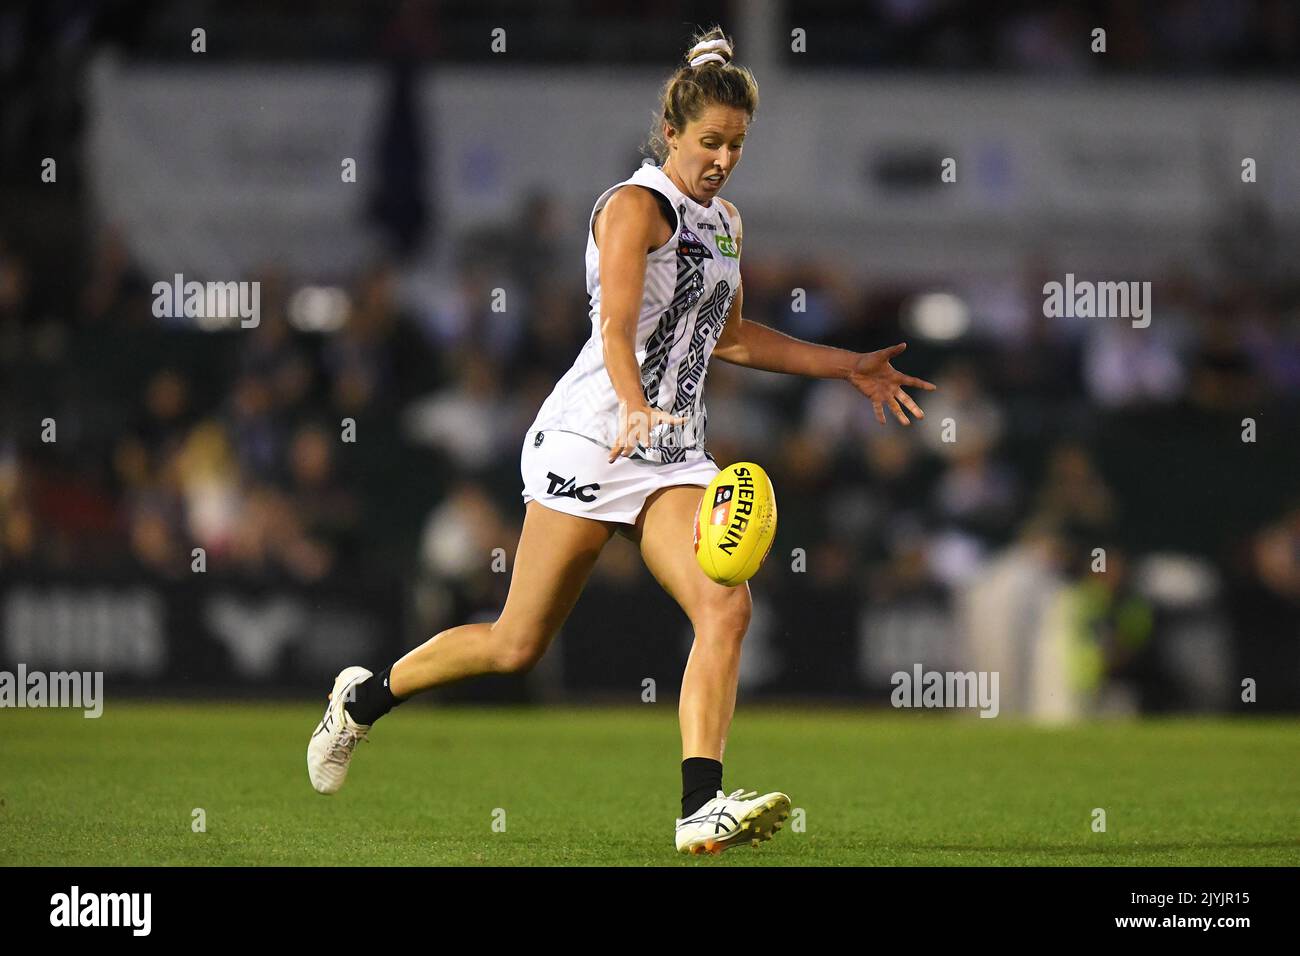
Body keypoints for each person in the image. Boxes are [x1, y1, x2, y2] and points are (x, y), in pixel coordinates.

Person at [307, 25, 936, 855]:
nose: (722, 158)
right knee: (514, 643)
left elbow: (735, 337)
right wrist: (636, 405)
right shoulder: (634, 206)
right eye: (709, 141)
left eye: (737, 145)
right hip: (593, 437)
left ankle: (699, 806)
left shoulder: (725, 223)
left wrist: (847, 364)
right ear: (670, 133)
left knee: (727, 602)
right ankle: (362, 701)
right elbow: (611, 326)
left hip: (671, 453)